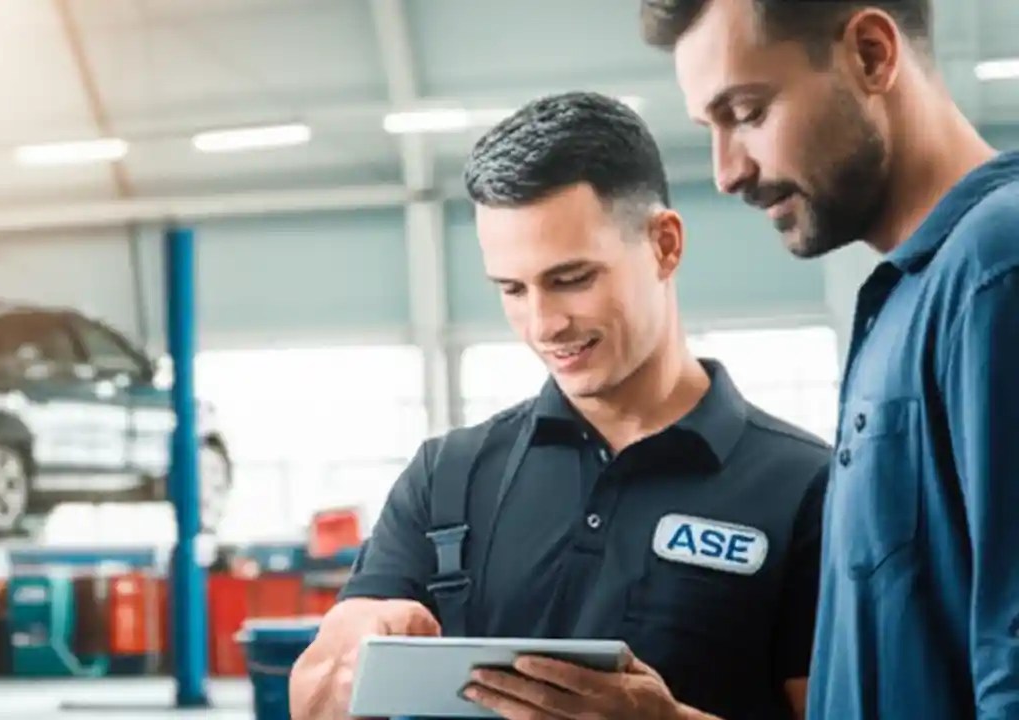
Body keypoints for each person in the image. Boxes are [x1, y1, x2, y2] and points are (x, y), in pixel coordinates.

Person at [287, 91, 831, 720]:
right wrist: (348, 659)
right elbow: (312, 702)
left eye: (571, 279)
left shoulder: (807, 490)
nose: (544, 324)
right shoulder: (447, 477)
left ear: (664, 245)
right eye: (513, 289)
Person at [640, 0, 1019, 717]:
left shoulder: (996, 271)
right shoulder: (908, 297)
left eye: (747, 113)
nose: (726, 172)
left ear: (871, 55)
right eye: (709, 128)